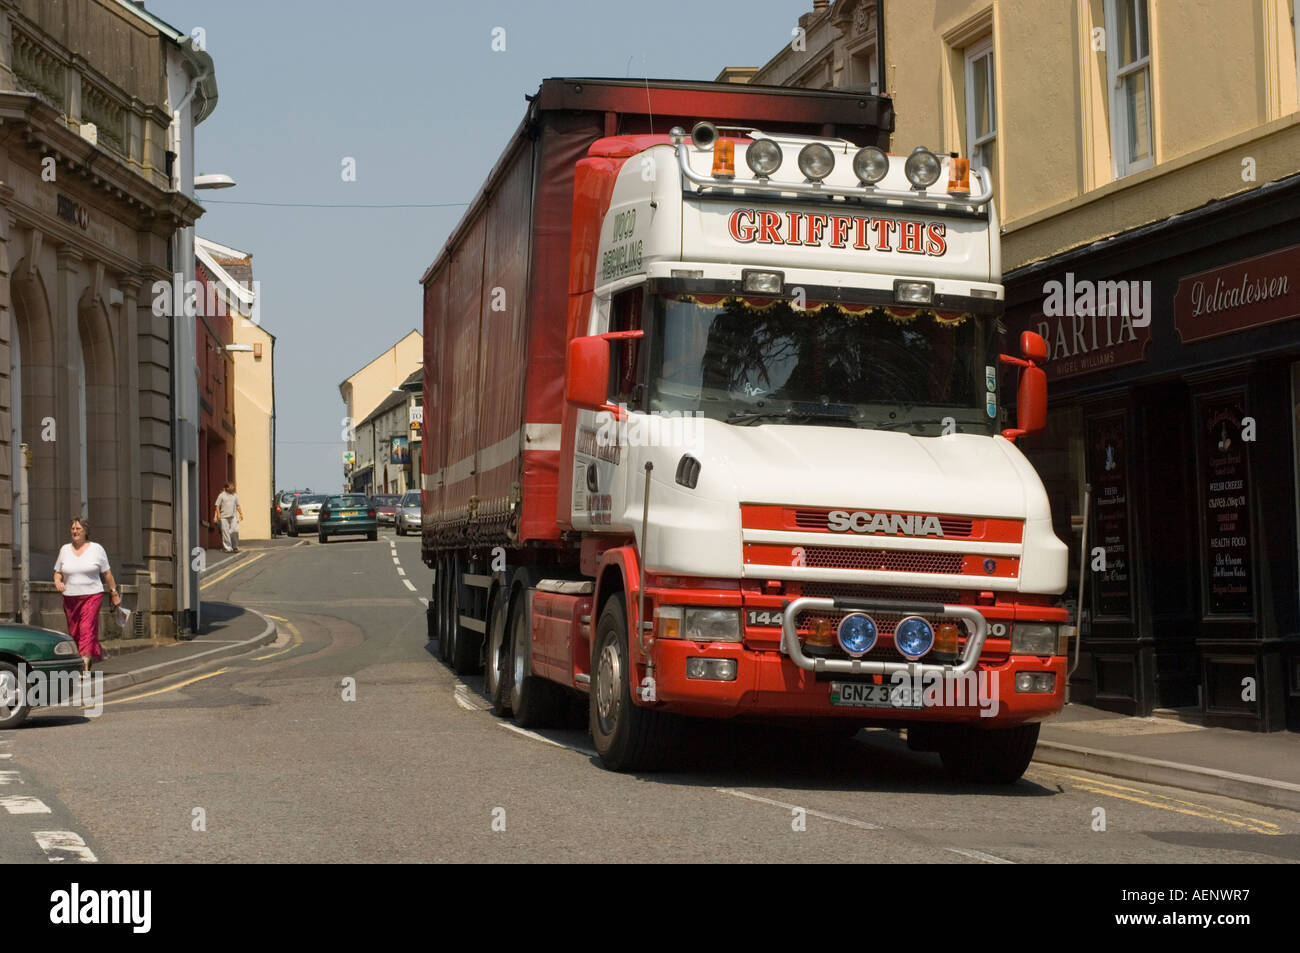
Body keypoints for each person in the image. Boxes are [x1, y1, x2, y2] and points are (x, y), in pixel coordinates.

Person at [53, 516, 121, 673]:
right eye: (73, 529)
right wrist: (58, 581)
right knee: (74, 631)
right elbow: (58, 573)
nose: (75, 531)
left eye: (78, 529)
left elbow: (107, 574)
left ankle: (84, 663)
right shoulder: (64, 550)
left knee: (86, 627)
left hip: (92, 594)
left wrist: (114, 593)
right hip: (70, 597)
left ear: (85, 531)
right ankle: (84, 656)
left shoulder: (97, 549)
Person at [214, 481, 243, 553]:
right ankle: (228, 548)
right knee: (225, 532)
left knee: (234, 530)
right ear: (227, 488)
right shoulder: (221, 495)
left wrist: (241, 513)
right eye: (231, 486)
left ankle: (235, 546)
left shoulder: (235, 495)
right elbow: (217, 506)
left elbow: (238, 505)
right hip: (224, 517)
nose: (233, 488)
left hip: (233, 516)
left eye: (233, 486)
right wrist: (218, 515)